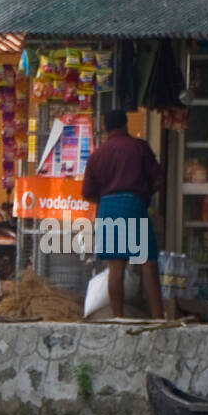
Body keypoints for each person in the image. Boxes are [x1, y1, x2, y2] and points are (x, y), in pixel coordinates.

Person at [81, 109, 165, 320]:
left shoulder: (97, 155)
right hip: (133, 204)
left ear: (107, 128)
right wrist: (144, 193)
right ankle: (158, 318)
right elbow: (158, 179)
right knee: (147, 263)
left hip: (107, 208)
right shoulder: (139, 147)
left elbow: (88, 193)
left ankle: (118, 318)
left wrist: (107, 197)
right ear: (126, 125)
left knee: (116, 267)